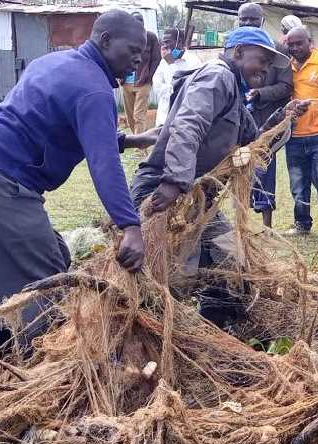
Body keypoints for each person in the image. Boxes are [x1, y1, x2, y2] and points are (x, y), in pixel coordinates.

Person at [0, 10, 157, 368]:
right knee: (49, 286)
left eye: (143, 51)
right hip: (1, 182)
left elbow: (53, 122)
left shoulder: (56, 63)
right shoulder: (93, 88)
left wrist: (130, 139)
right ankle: (43, 376)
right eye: (132, 48)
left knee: (37, 270)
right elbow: (103, 165)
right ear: (105, 41)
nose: (138, 57)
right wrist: (131, 226)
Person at [129, 27, 305, 328]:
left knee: (231, 261)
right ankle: (150, 336)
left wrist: (284, 118)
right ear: (237, 53)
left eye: (267, 65)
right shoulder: (217, 76)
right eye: (260, 60)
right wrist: (175, 181)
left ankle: (213, 334)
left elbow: (254, 144)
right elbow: (188, 125)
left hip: (197, 195)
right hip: (165, 188)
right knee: (168, 275)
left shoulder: (235, 93)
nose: (264, 69)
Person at [238, 2, 294, 229]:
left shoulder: (277, 51)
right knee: (237, 171)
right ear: (238, 20)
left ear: (262, 21)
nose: (249, 23)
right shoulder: (233, 48)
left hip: (265, 123)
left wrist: (259, 93)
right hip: (236, 124)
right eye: (244, 19)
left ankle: (266, 227)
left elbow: (286, 86)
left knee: (264, 172)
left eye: (253, 19)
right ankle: (239, 223)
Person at [284, 27, 318, 245]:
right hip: (294, 135)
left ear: (310, 42)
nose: (295, 48)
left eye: (299, 43)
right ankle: (302, 224)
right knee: (298, 184)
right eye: (291, 44)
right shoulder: (286, 67)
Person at [152, 27, 202, 127]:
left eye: (167, 42)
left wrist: (171, 65)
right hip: (164, 117)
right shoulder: (164, 62)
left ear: (179, 42)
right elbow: (157, 85)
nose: (164, 46)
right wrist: (172, 90)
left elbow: (191, 89)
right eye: (163, 43)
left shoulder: (193, 62)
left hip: (184, 118)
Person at [121, 12, 161, 134]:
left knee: (139, 114)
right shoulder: (125, 38)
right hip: (126, 81)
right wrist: (121, 76)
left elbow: (156, 59)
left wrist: (148, 77)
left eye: (140, 21)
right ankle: (136, 138)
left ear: (143, 24)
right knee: (130, 115)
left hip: (143, 83)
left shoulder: (151, 37)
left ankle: (139, 146)